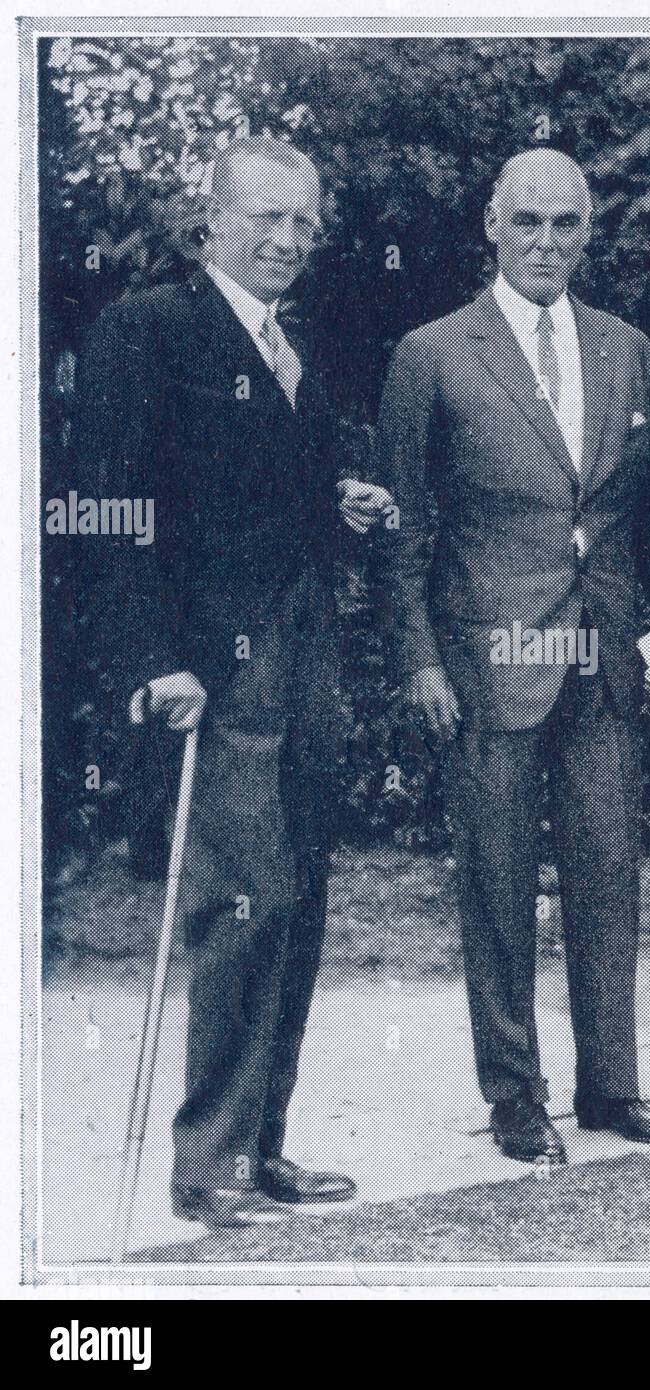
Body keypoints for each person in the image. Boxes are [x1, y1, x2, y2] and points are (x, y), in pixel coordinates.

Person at [79, 137, 389, 1226]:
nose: (287, 239)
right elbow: (111, 511)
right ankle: (207, 1161)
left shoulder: (287, 344)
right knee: (241, 898)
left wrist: (337, 500)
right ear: (207, 217)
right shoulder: (147, 330)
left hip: (305, 657)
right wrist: (151, 658)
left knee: (295, 897)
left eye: (305, 221)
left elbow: (263, 497)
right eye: (265, 216)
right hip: (215, 669)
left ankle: (261, 1146)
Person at [377, 148, 650, 1164]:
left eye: (566, 223)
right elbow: (401, 532)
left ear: (589, 232)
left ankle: (611, 1089)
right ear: (490, 223)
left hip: (601, 662)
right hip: (488, 666)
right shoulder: (430, 354)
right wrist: (419, 660)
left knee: (610, 878)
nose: (547, 242)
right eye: (528, 222)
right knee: (498, 886)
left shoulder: (624, 348)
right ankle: (516, 1096)